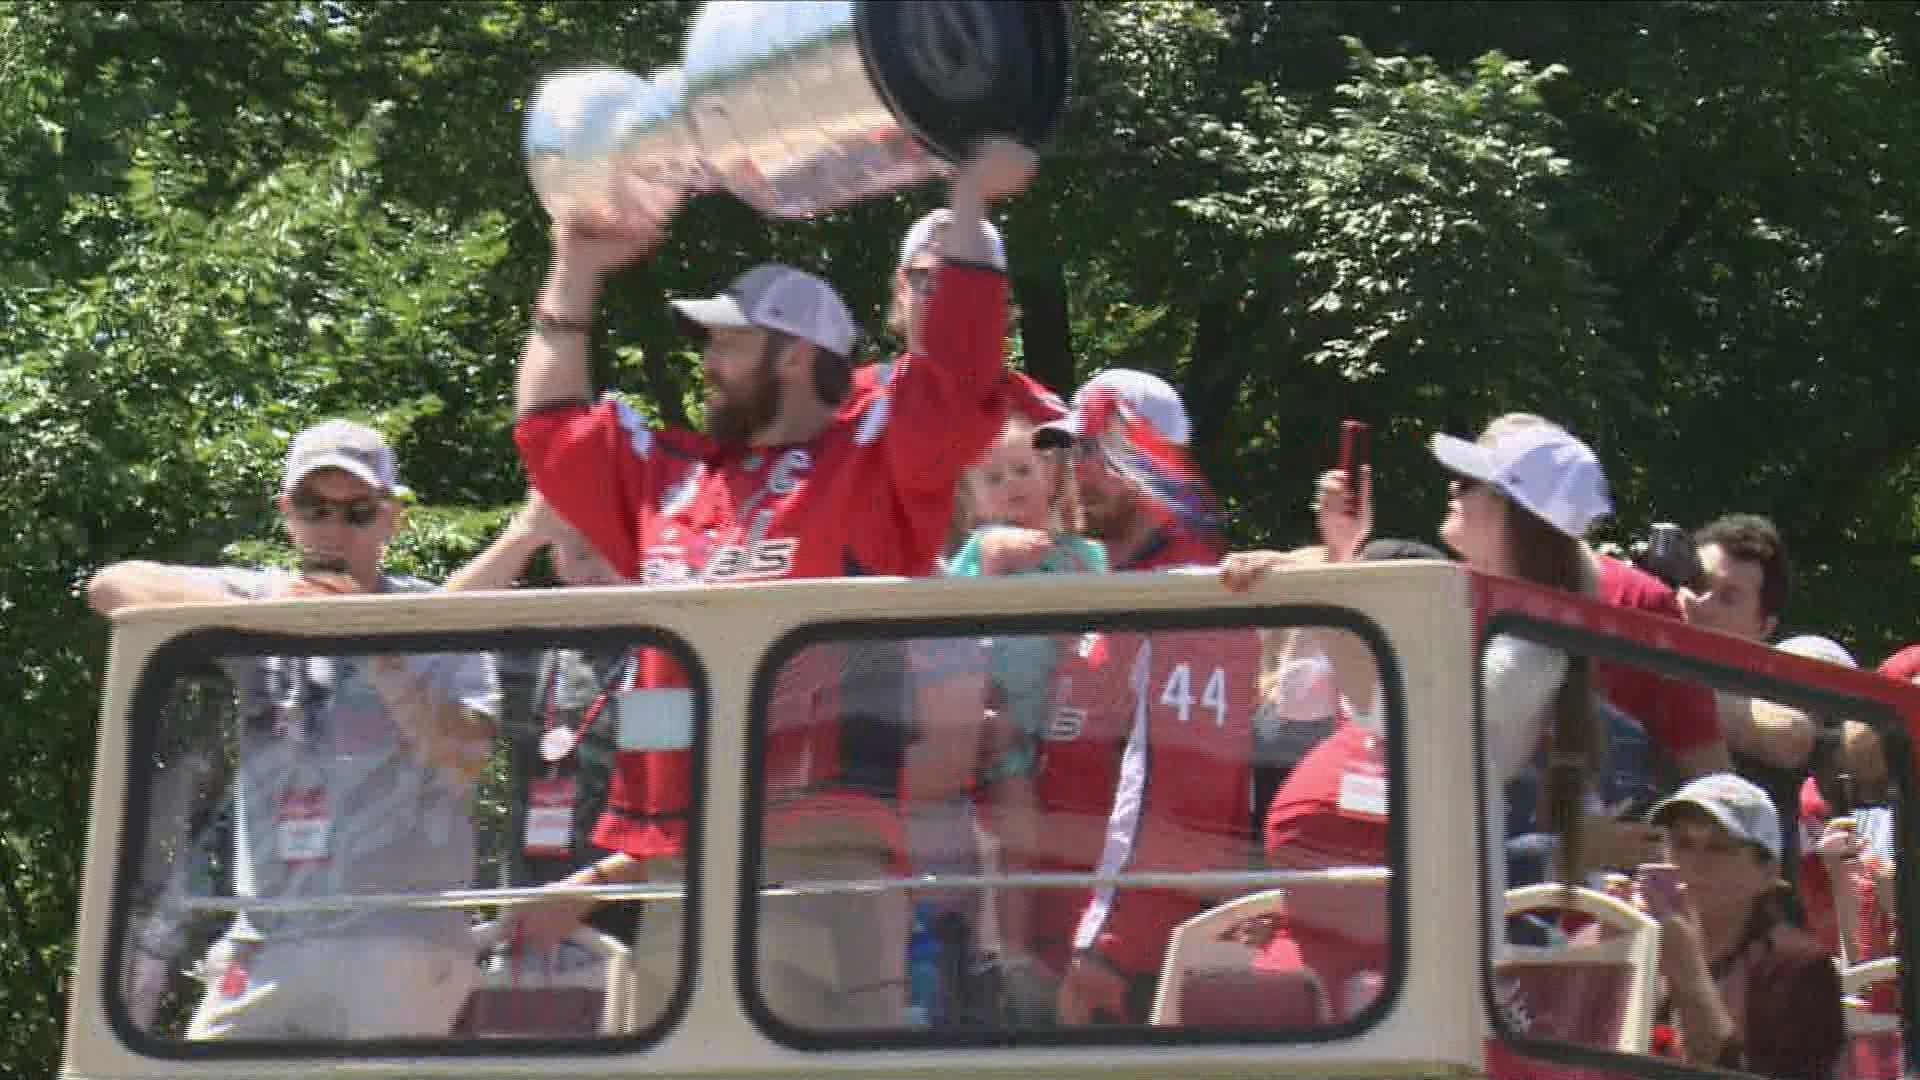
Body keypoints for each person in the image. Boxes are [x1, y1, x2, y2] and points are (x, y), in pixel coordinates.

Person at [508, 138, 1041, 1029]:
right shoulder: (671, 476)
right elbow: (549, 427)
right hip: (680, 865)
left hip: (821, 854)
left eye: (728, 341)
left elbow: (955, 379)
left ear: (795, 356)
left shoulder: (873, 452)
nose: (707, 359)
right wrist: (575, 263)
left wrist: (969, 211)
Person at [86, 420, 501, 1040]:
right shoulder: (264, 598)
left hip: (396, 937)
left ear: (393, 519)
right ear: (288, 514)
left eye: (357, 512)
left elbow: (466, 758)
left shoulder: (436, 619)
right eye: (314, 508)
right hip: (268, 935)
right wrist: (278, 612)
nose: (333, 531)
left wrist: (378, 647)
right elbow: (112, 587)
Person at [445, 490, 639, 942]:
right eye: (580, 551)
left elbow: (694, 820)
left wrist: (590, 890)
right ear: (556, 560)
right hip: (528, 923)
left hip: (640, 931)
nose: (596, 572)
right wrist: (524, 535)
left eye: (615, 549)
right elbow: (427, 628)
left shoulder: (673, 651)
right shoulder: (532, 647)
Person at [1640, 773, 1845, 1079]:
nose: (1694, 862)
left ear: (1768, 872)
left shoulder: (1796, 968)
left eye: (1719, 847)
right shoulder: (1636, 945)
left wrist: (1687, 974)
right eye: (1682, 843)